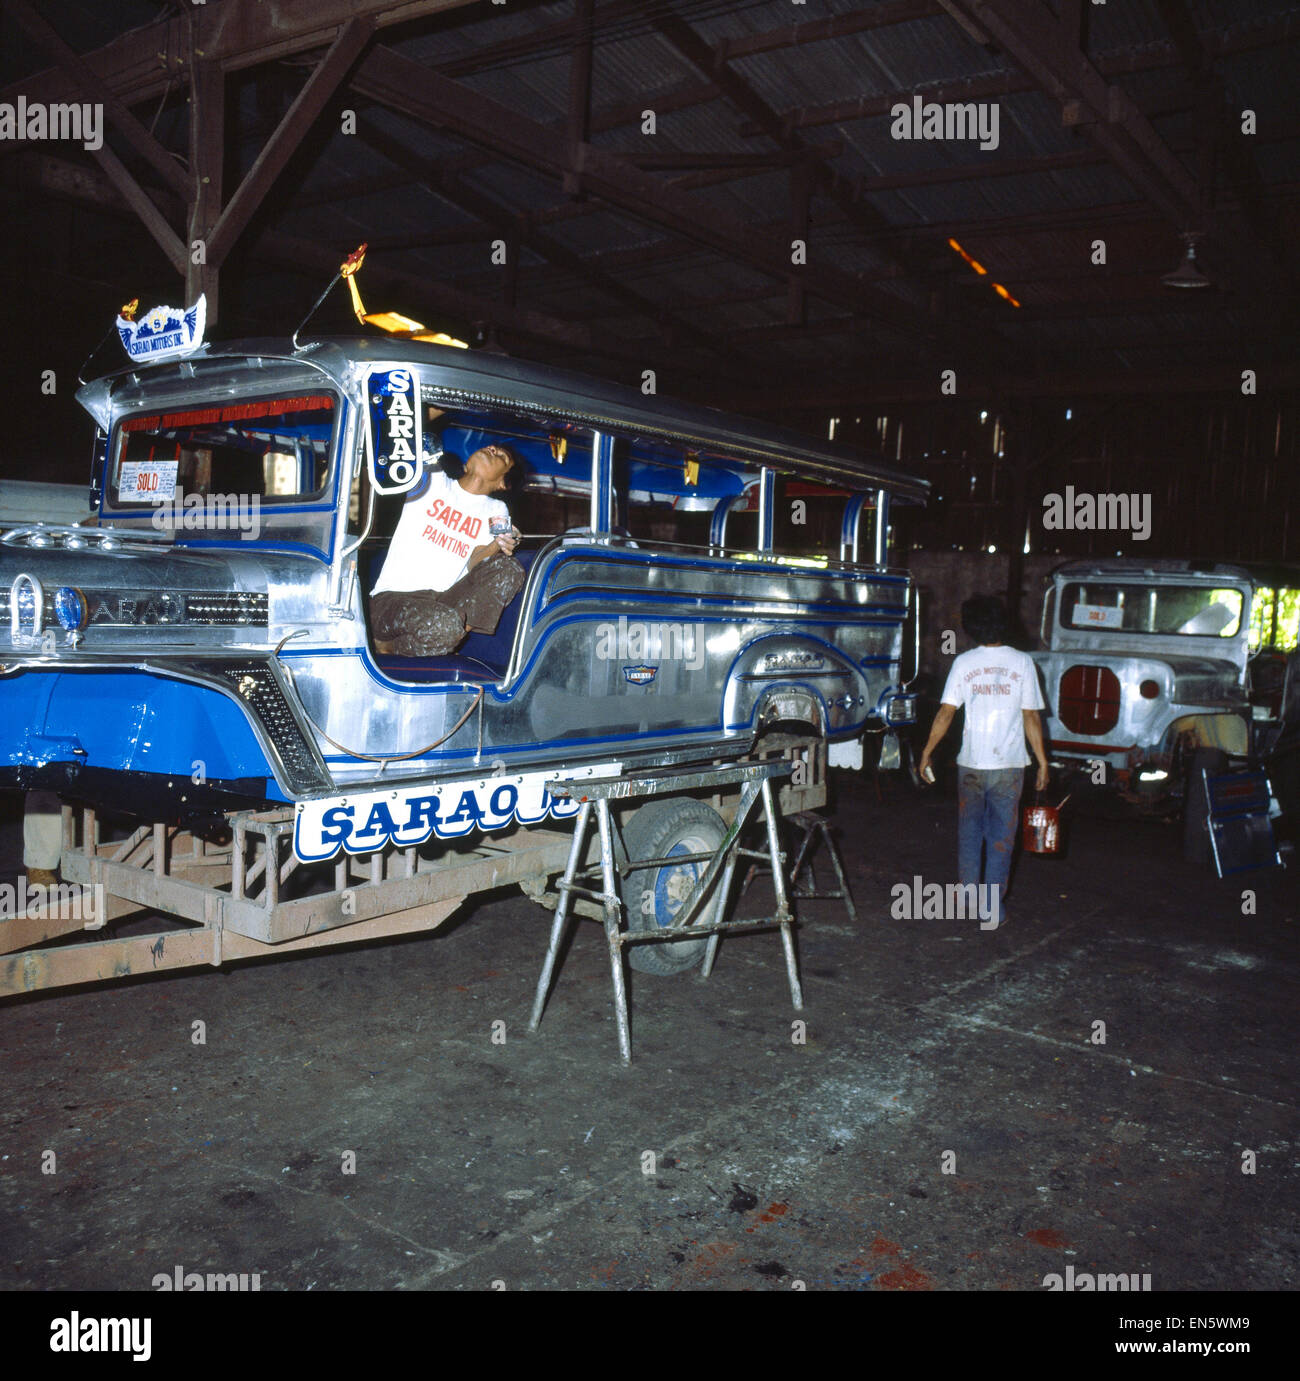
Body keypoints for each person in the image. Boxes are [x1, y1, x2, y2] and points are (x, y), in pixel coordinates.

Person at [917, 594, 1050, 923]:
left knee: (970, 832)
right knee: (1001, 837)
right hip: (1009, 767)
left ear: (971, 626)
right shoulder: (1023, 663)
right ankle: (992, 907)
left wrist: (926, 752)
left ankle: (965, 898)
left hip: (971, 766)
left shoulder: (964, 663)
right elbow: (1031, 717)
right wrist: (1043, 761)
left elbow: (946, 713)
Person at [370, 443, 526, 657]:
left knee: (510, 569)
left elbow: (476, 561)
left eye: (502, 456)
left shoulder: (498, 510)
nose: (492, 449)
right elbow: (412, 444)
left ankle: (451, 635)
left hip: (441, 606)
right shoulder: (434, 478)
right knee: (444, 624)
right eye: (491, 447)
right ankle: (386, 644)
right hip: (391, 601)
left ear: (503, 483)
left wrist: (500, 544)